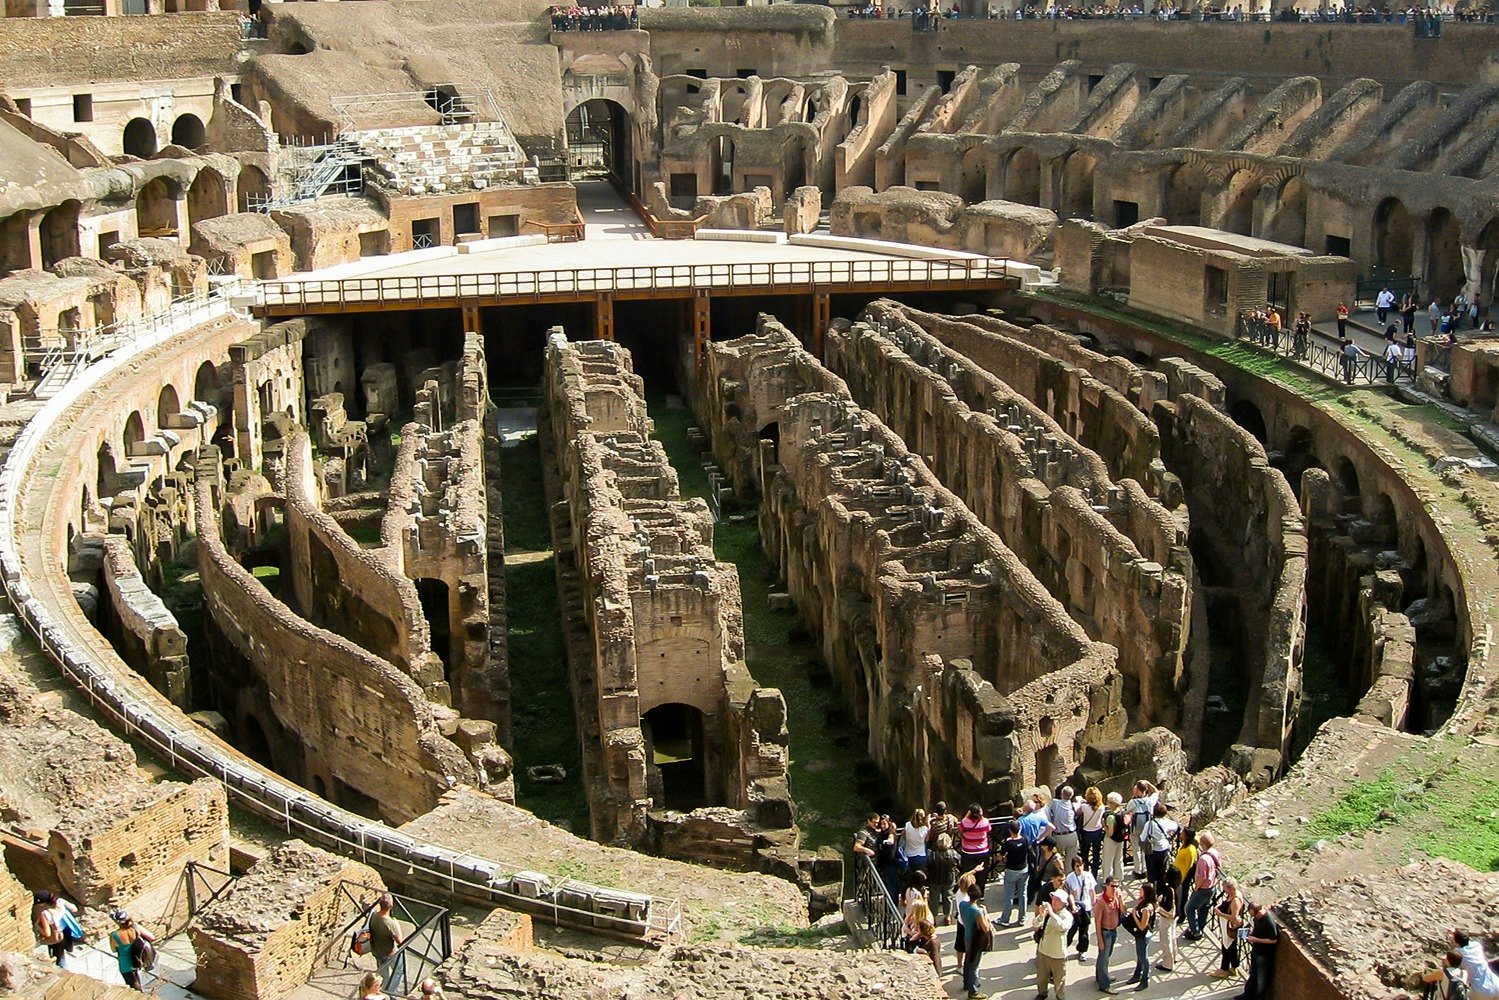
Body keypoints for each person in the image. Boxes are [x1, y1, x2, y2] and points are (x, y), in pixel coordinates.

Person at [1034, 889, 1073, 1000]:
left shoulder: (1067, 916)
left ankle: (1060, 997)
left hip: (1058, 955)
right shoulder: (1048, 913)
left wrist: (1051, 913)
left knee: (1059, 980)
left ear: (1064, 903)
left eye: (1057, 900)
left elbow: (1062, 926)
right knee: (1041, 977)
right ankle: (1042, 993)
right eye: (1053, 899)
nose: (1053, 901)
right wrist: (1041, 915)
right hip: (1043, 951)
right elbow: (1035, 924)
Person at [1184, 830, 1221, 940]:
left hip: (1203, 888)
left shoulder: (1203, 859)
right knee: (1203, 908)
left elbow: (1201, 876)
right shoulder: (1215, 852)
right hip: (1212, 886)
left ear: (1202, 844)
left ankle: (1195, 931)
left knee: (1189, 908)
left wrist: (1197, 887)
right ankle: (1200, 926)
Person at [956, 882, 990, 999]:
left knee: (968, 961)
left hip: (967, 935)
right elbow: (985, 928)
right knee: (974, 965)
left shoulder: (962, 905)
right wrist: (985, 913)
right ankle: (973, 991)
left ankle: (967, 983)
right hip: (976, 939)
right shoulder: (978, 911)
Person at [109, 910, 155, 992]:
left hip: (125, 963)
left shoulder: (114, 935)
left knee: (134, 986)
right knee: (136, 976)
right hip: (137, 959)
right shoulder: (135, 928)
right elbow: (151, 937)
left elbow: (113, 949)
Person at [1242, 899, 1279, 999]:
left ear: (1260, 910)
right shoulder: (1257, 918)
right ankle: (1247, 995)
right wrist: (1251, 934)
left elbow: (1273, 940)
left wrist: (1256, 939)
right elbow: (1256, 927)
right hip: (1256, 951)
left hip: (1264, 954)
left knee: (1261, 979)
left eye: (1255, 915)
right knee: (1253, 974)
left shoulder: (1268, 921)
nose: (1255, 918)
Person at [1094, 875, 1125, 993]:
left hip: (1113, 931)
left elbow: (1123, 911)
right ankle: (1104, 984)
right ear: (1106, 886)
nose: (1115, 889)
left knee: (1106, 956)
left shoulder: (1116, 897)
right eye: (1112, 886)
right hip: (1105, 932)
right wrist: (1100, 940)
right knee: (1104, 958)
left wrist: (1121, 900)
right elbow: (1097, 921)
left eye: (1117, 886)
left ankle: (1101, 976)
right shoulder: (1101, 901)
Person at [368, 894, 405, 995]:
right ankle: (391, 993)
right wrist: (397, 925)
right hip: (389, 954)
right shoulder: (391, 923)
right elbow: (400, 941)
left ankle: (382, 990)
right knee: (399, 972)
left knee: (383, 974)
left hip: (377, 951)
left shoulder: (373, 915)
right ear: (391, 906)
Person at [997, 820, 1031, 927]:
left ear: (1010, 831)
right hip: (1024, 870)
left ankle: (1005, 919)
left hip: (1011, 871)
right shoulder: (1025, 840)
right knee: (1023, 895)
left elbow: (1000, 856)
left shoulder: (1008, 843)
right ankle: (1022, 919)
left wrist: (1002, 855)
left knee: (1009, 896)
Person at [1210, 877, 1245, 980]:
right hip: (1227, 927)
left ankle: (1223, 970)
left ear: (1230, 888)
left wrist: (1220, 913)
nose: (1223, 890)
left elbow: (1234, 917)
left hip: (1229, 928)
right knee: (1232, 947)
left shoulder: (1235, 900)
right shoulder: (1233, 894)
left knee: (1226, 947)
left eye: (1224, 888)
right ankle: (1234, 966)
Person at [1123, 883, 1156, 991]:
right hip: (1141, 935)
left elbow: (1142, 926)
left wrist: (1133, 914)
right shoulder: (1144, 903)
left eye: (1141, 890)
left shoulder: (1147, 909)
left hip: (1143, 935)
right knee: (1140, 956)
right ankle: (1137, 974)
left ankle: (1145, 979)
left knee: (1143, 957)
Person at [1064, 854, 1096, 962]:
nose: (1080, 868)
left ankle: (1082, 950)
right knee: (1071, 929)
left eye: (1081, 865)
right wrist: (1072, 904)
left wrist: (1094, 903)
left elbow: (1092, 891)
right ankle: (1064, 949)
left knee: (1084, 931)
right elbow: (1069, 894)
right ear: (1073, 867)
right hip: (1076, 906)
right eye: (1077, 866)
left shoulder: (1088, 875)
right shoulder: (1070, 878)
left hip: (1086, 906)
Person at [1140, 802, 1177, 893]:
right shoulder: (1167, 823)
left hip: (1151, 851)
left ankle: (1150, 893)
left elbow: (1142, 837)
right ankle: (1161, 893)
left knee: (1151, 874)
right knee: (1161, 872)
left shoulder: (1149, 824)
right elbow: (1175, 826)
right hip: (1163, 849)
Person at [1453, 929, 1499, 999]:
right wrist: (1456, 933)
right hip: (1496, 984)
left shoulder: (1458, 953)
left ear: (1456, 942)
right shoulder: (1477, 945)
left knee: (1460, 996)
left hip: (1481, 990)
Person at [957, 804, 993, 892]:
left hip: (968, 852)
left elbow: (960, 829)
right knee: (982, 874)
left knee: (969, 874)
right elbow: (989, 829)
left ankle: (969, 892)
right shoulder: (985, 821)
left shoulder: (965, 822)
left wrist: (967, 815)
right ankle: (980, 892)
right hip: (982, 851)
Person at [1126, 781, 1157, 878]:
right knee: (1145, 849)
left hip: (1135, 830)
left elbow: (1126, 811)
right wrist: (1148, 783)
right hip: (1147, 829)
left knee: (1136, 850)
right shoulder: (1150, 801)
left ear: (1137, 790)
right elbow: (1156, 791)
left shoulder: (1133, 802)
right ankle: (1145, 869)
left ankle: (1138, 871)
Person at [1047, 786, 1081, 872]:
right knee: (1070, 861)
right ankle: (1068, 880)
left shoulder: (1055, 803)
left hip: (1059, 836)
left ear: (1061, 794)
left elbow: (1049, 811)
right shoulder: (1073, 805)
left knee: (1057, 858)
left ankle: (1058, 878)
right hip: (1072, 835)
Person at [929, 832, 960, 926]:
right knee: (948, 897)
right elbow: (959, 863)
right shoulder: (953, 853)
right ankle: (947, 917)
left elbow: (928, 866)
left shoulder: (932, 854)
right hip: (949, 879)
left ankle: (933, 918)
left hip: (935, 879)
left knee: (934, 899)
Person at [1154, 867, 1180, 973]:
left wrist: (1158, 909)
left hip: (1167, 919)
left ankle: (1168, 964)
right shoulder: (1178, 886)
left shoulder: (1169, 890)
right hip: (1175, 917)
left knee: (1166, 940)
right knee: (1173, 938)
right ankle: (1174, 957)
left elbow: (1170, 912)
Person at [1077, 786, 1106, 877]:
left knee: (1084, 854)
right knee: (1096, 854)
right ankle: (1095, 874)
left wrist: (1081, 802)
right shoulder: (1102, 807)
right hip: (1097, 831)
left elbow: (1078, 812)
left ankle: (1085, 873)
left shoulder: (1084, 806)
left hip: (1086, 832)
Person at [1102, 791, 1128, 885]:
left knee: (1108, 861)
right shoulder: (1122, 813)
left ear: (1112, 803)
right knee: (1119, 859)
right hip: (1120, 839)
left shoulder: (1110, 817)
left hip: (1111, 840)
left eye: (1108, 801)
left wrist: (1104, 826)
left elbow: (1110, 833)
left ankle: (1107, 882)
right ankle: (1119, 879)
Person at [1035, 837, 1066, 907]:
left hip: (1052, 882)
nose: (1042, 847)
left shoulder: (1056, 857)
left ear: (1047, 847)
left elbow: (1062, 872)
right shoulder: (1042, 853)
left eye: (1043, 845)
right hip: (1043, 880)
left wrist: (1058, 866)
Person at [903, 807, 930, 876]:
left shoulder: (907, 825)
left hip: (908, 854)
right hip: (920, 855)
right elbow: (927, 840)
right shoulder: (924, 829)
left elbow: (904, 837)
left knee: (909, 876)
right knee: (919, 876)